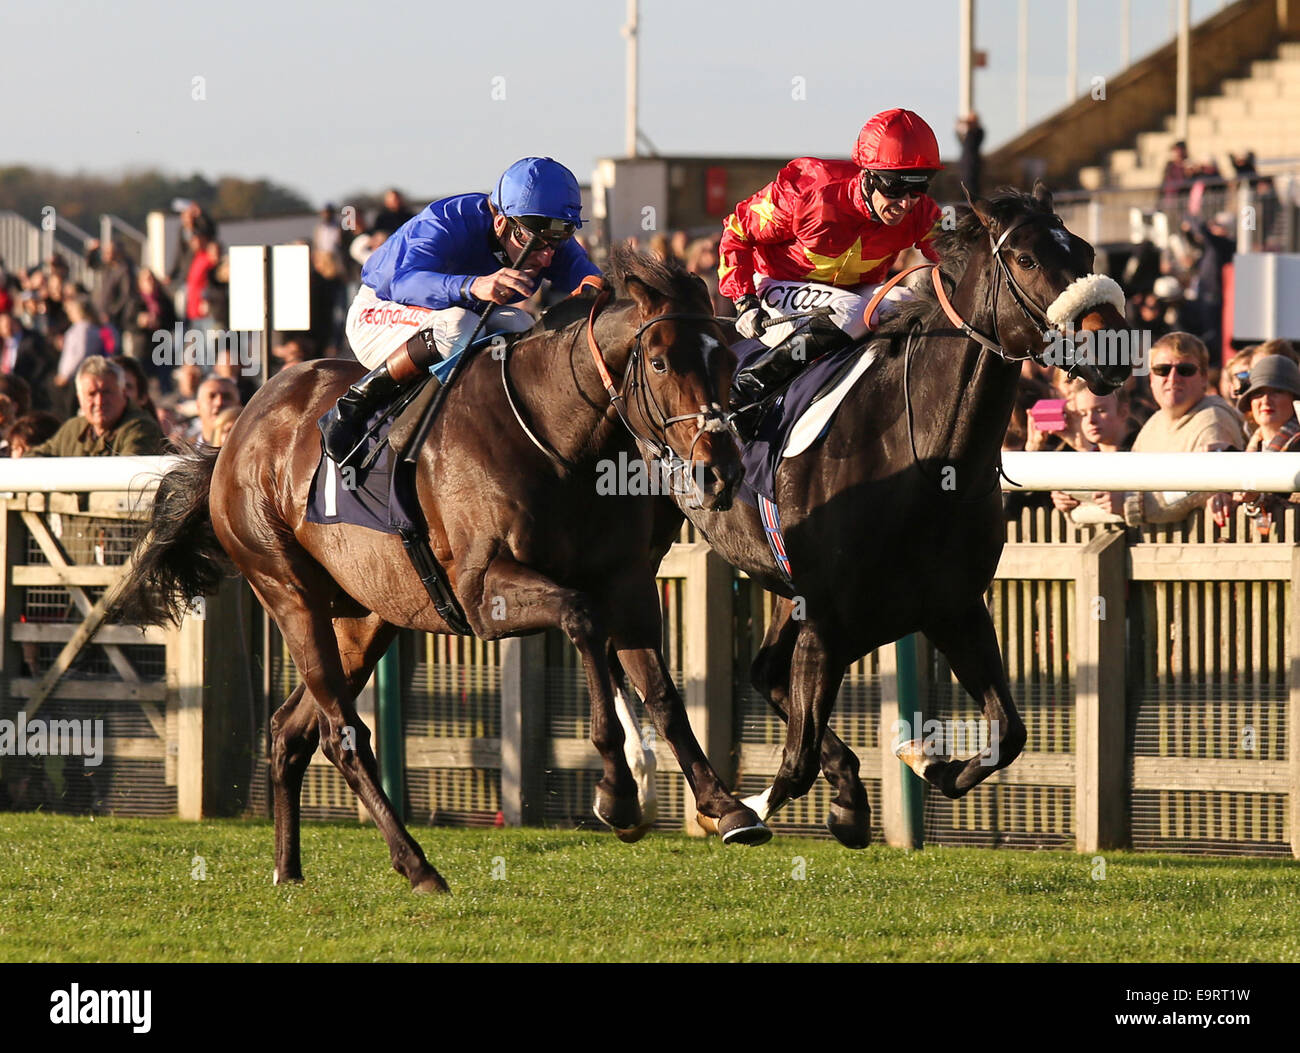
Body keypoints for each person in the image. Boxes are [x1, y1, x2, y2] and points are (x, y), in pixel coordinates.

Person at [319, 156, 603, 465]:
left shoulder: (538, 232)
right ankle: (353, 404)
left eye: (558, 240)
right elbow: (401, 282)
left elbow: (590, 277)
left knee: (523, 326)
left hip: (452, 314)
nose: (547, 256)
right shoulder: (447, 221)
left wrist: (595, 293)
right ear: (501, 223)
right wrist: (472, 285)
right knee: (456, 326)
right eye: (536, 241)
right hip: (380, 310)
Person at [718, 108, 944, 439]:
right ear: (867, 175)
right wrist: (743, 299)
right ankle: (747, 391)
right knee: (852, 311)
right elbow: (737, 231)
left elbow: (961, 256)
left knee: (909, 302)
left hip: (850, 296)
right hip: (778, 289)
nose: (906, 203)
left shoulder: (921, 212)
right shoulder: (807, 191)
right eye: (894, 188)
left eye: (918, 188)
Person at [1090, 332, 1244, 526]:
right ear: (1151, 378)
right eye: (1162, 369)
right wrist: (1071, 499)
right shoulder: (1154, 423)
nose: (1173, 378)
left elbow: (1201, 488)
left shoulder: (1214, 419)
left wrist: (1130, 504)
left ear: (1204, 377)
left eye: (1185, 370)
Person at [1221, 354, 1300, 534]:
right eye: (1258, 393)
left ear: (1294, 398)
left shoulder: (1298, 450)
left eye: (1277, 391)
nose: (1265, 400)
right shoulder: (1251, 448)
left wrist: (1259, 499)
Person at [26, 357, 165, 458]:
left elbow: (127, 477)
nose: (99, 401)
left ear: (123, 393)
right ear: (79, 398)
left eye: (107, 392)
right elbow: (35, 459)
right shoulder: (72, 430)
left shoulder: (141, 428)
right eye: (91, 394)